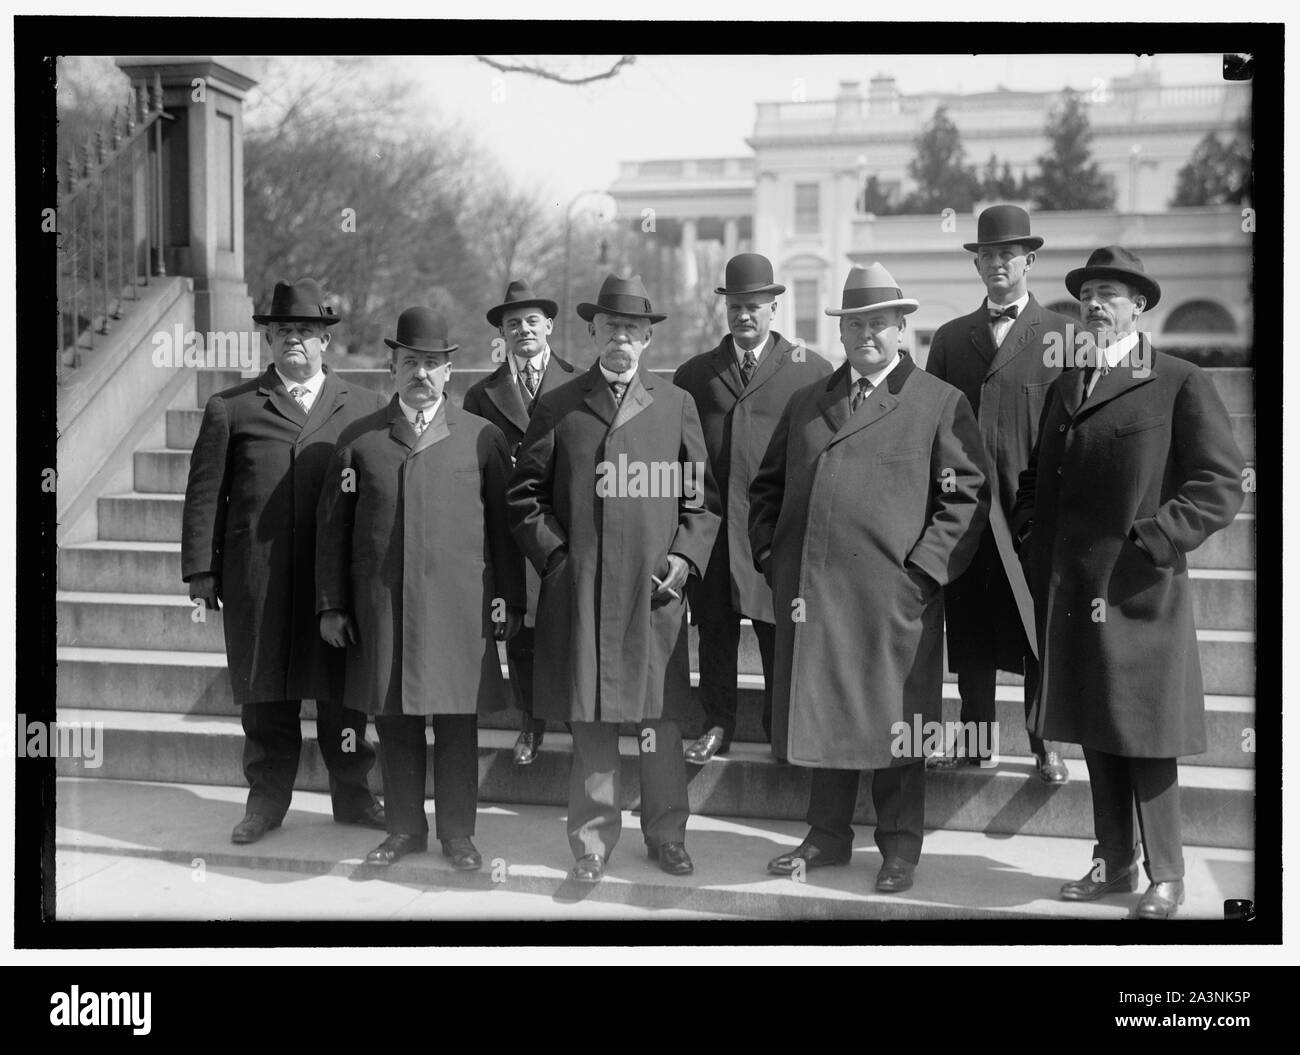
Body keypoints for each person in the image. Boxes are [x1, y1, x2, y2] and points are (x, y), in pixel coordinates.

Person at [1011, 247, 1244, 919]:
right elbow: (1036, 478)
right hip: (1075, 593)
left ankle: (1165, 874)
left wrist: (1155, 539)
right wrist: (1033, 535)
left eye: (1109, 294)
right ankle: (1114, 862)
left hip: (1141, 594)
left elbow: (1219, 484)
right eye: (1087, 295)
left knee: (1147, 736)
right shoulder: (1068, 383)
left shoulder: (1177, 380)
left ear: (1139, 305)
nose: (1094, 305)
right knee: (1095, 728)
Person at [749, 264, 988, 893]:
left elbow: (964, 496)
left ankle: (900, 848)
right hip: (817, 598)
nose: (865, 336)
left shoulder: (938, 401)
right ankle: (826, 836)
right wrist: (774, 561)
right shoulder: (809, 402)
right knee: (826, 715)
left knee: (898, 723)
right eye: (854, 324)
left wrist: (923, 574)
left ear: (902, 328)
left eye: (878, 323)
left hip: (895, 601)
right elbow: (767, 489)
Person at [508, 274, 720, 883]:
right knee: (593, 718)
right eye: (610, 327)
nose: (621, 338)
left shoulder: (675, 403)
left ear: (648, 338)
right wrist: (556, 559)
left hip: (655, 594)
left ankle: (667, 835)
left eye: (632, 329)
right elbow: (524, 496)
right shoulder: (560, 404)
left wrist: (683, 559)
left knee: (658, 718)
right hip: (584, 592)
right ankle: (592, 844)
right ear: (593, 333)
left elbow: (699, 501)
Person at [316, 307, 525, 869]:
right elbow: (334, 529)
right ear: (393, 367)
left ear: (449, 370)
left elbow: (505, 534)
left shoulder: (482, 438)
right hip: (384, 606)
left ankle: (459, 834)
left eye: (433, 364)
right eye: (412, 362)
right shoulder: (359, 442)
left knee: (458, 722)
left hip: (460, 610)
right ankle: (405, 828)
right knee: (395, 719)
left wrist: (509, 598)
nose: (422, 374)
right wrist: (332, 603)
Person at [181, 278, 386, 845]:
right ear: (269, 339)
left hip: (336, 581)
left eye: (306, 331)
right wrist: (202, 569)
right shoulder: (233, 407)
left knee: (343, 696)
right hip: (260, 575)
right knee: (266, 695)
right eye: (284, 330)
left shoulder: (366, 407)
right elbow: (206, 494)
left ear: (326, 341)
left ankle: (354, 793)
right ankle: (265, 802)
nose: (295, 340)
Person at [925, 204, 1073, 782]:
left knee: (1040, 628)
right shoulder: (950, 338)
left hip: (1032, 512)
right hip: (965, 511)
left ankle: (1047, 744)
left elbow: (1074, 425)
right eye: (987, 255)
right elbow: (932, 422)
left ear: (1029, 261)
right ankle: (975, 739)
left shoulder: (1064, 336)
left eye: (1007, 255)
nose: (997, 264)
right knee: (970, 629)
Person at [673, 253, 831, 763]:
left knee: (777, 631)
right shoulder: (694, 375)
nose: (744, 315)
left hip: (775, 529)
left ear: (774, 308)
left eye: (755, 306)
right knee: (715, 629)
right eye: (736, 306)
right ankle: (717, 723)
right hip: (713, 527)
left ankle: (780, 728)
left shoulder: (811, 371)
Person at [463, 280, 576, 766]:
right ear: (502, 334)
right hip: (511, 526)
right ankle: (530, 722)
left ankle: (577, 716)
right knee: (521, 630)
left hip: (565, 523)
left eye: (532, 321)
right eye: (513, 324)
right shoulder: (482, 394)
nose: (523, 330)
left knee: (569, 626)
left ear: (548, 326)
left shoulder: (578, 383)